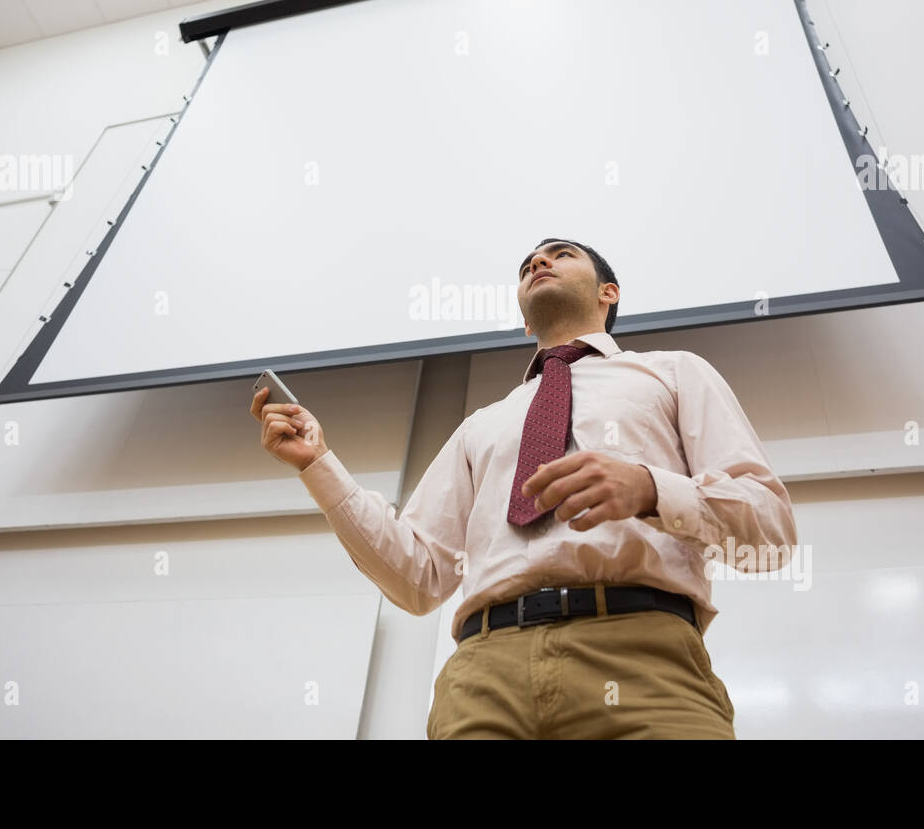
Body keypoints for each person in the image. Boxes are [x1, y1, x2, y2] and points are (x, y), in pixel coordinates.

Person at [251, 237, 796, 739]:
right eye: (527, 265)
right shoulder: (481, 425)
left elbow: (771, 533)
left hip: (644, 657)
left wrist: (652, 489)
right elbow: (418, 578)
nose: (538, 262)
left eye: (560, 254)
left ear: (609, 292)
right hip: (483, 677)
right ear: (522, 319)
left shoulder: (675, 373)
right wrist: (317, 465)